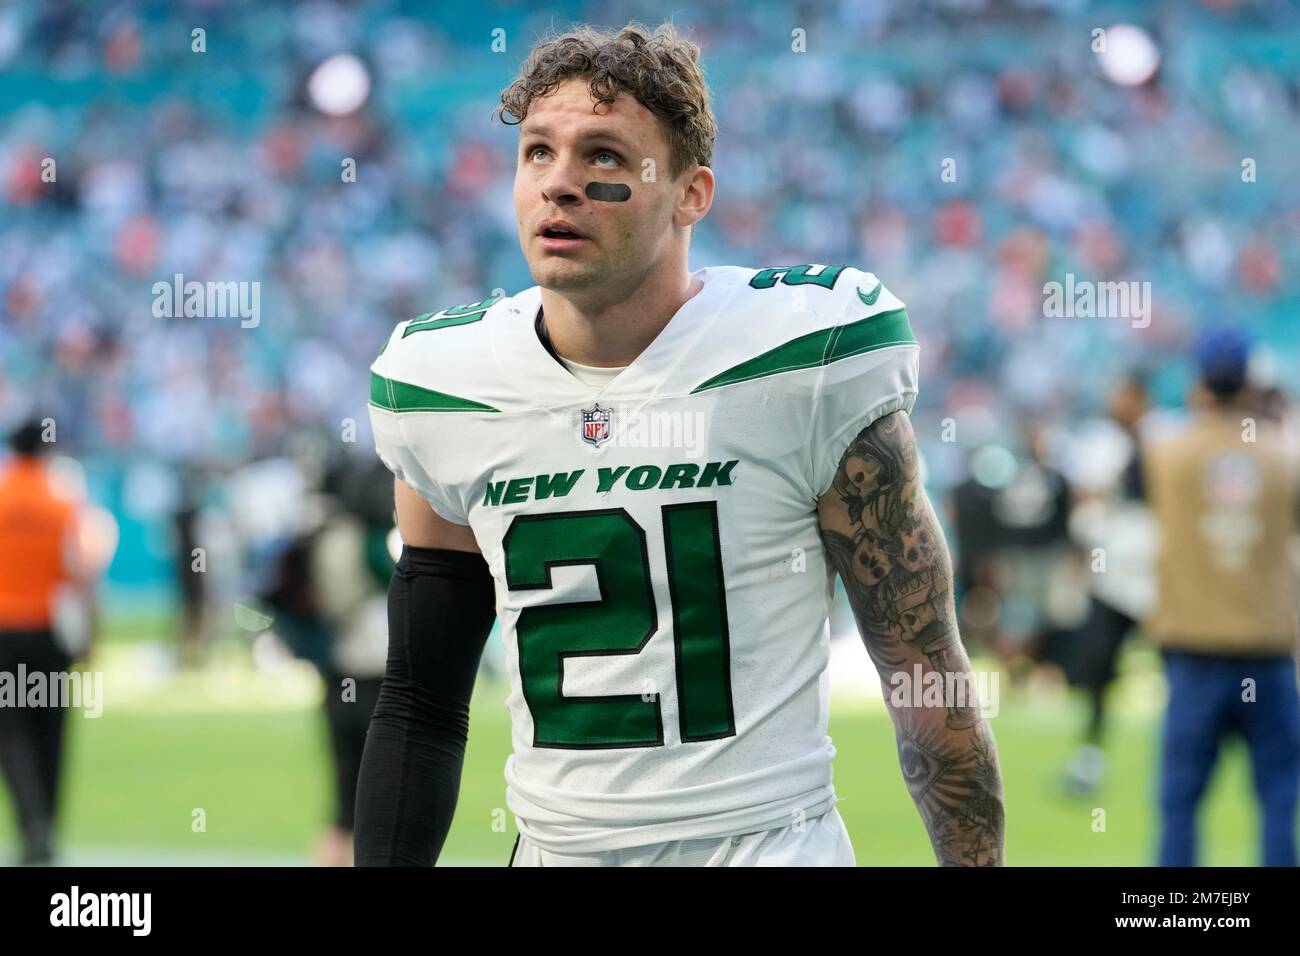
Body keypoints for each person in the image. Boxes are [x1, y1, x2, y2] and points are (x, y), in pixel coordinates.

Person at [355, 21, 1003, 867]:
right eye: (538, 153)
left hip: (766, 848)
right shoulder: (443, 387)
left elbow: (923, 668)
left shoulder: (800, 362)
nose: (561, 184)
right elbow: (419, 702)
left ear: (691, 193)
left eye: (606, 158)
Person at [1144, 328, 1300, 866]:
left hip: (1194, 651)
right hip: (1266, 651)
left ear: (1199, 383)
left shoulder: (1168, 455)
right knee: (1280, 795)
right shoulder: (1283, 459)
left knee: (1180, 801)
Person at [0, 419, 96, 865]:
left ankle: (31, 821)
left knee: (11, 732)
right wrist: (91, 633)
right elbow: (81, 575)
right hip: (49, 634)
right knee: (50, 730)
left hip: (5, 633)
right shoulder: (62, 504)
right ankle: (48, 824)